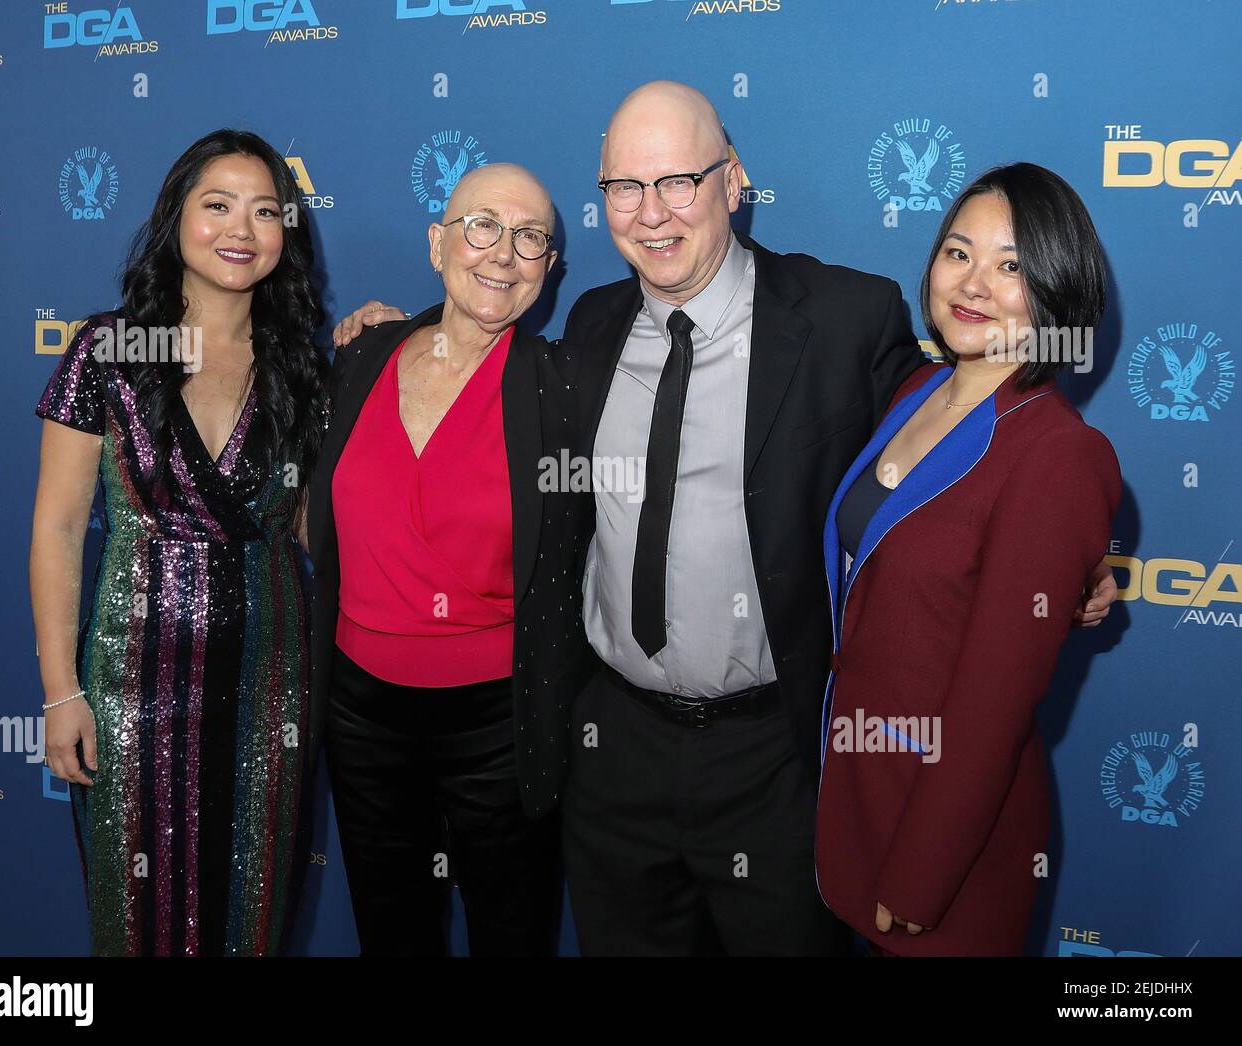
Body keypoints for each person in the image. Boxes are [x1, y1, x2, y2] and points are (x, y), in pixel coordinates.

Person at [333, 81, 1117, 957]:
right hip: (610, 749)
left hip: (772, 758)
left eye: (680, 181)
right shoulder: (589, 330)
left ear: (734, 181)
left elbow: (958, 445)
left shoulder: (846, 319)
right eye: (624, 187)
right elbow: (470, 382)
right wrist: (389, 332)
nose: (652, 213)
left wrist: (1070, 562)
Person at [30, 129, 328, 956]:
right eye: (218, 204)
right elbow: (56, 530)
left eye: (266, 211)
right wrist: (62, 694)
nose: (242, 229)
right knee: (137, 923)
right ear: (176, 219)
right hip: (131, 687)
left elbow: (308, 526)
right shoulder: (109, 349)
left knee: (254, 917)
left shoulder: (299, 362)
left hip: (272, 686)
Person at [814, 164, 1121, 956]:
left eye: (1012, 265)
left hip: (948, 854)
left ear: (1056, 289)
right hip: (856, 806)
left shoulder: (1058, 453)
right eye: (959, 252)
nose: (975, 282)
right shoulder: (915, 391)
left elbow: (993, 704)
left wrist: (923, 877)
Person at [306, 164, 586, 955]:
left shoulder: (563, 387)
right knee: (391, 932)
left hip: (501, 722)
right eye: (481, 226)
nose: (503, 253)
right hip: (360, 715)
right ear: (438, 243)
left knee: (512, 933)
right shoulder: (362, 357)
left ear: (549, 268)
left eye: (531, 239)